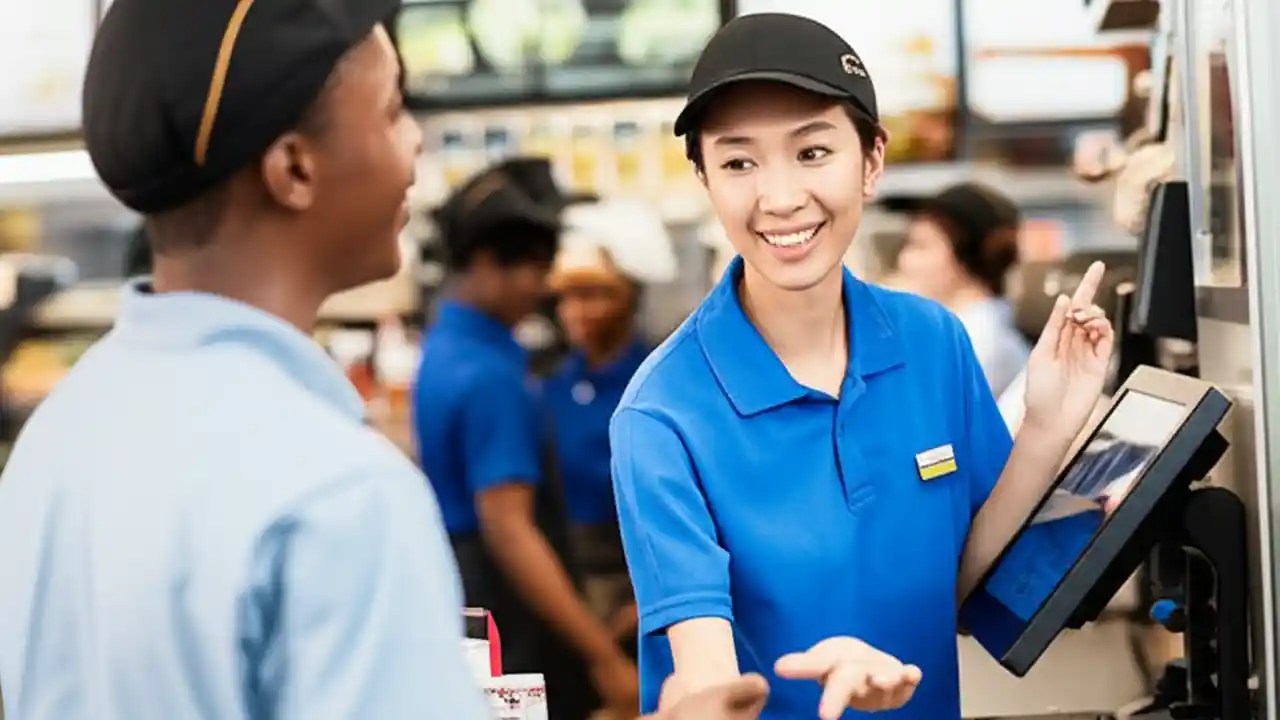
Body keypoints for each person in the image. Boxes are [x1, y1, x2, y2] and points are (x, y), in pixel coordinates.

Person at [0, 3, 790, 719]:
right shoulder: (339, 493)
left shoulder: (60, 436)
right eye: (391, 109)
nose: (414, 139)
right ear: (294, 168)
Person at [609, 12, 1114, 720]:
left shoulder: (932, 340)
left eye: (813, 152)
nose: (779, 197)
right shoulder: (661, 415)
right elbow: (704, 683)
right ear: (705, 178)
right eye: (738, 162)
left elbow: (965, 587)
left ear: (871, 160)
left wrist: (1048, 428)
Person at [412, 159, 638, 720]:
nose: (542, 292)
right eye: (536, 272)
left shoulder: (443, 348)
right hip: (510, 612)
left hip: (470, 601)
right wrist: (602, 655)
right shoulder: (490, 376)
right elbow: (510, 530)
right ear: (488, 263)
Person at [543, 200, 678, 649]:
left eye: (594, 295)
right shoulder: (553, 383)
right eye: (565, 297)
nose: (574, 311)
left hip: (644, 594)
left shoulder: (660, 385)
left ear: (630, 295)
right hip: (570, 593)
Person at [895, 183, 1031, 396]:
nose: (904, 261)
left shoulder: (983, 339)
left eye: (921, 246)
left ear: (966, 257)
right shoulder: (951, 328)